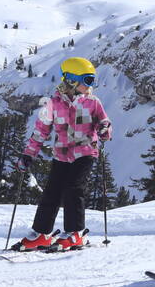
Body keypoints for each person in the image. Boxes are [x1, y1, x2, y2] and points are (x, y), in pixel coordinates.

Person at [10, 56, 112, 252]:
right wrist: (28, 154)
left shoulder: (92, 102)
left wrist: (104, 130)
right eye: (88, 80)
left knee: (74, 188)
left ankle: (75, 233)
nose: (91, 86)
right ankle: (41, 234)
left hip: (86, 152)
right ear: (72, 80)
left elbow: (104, 122)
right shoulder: (52, 104)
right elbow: (41, 131)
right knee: (52, 192)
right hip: (62, 155)